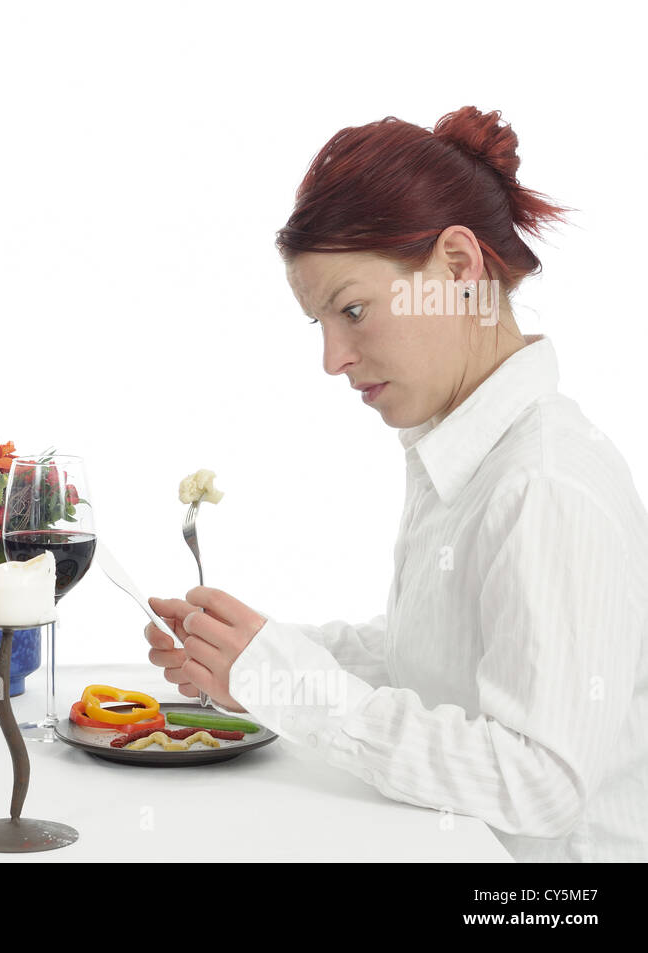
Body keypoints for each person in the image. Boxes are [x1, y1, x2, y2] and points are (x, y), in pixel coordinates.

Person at [144, 106, 647, 862]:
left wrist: (292, 683)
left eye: (352, 310)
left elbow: (542, 783)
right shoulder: (465, 449)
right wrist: (257, 656)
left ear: (456, 267)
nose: (333, 359)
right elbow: (439, 664)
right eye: (321, 324)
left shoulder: (544, 485)